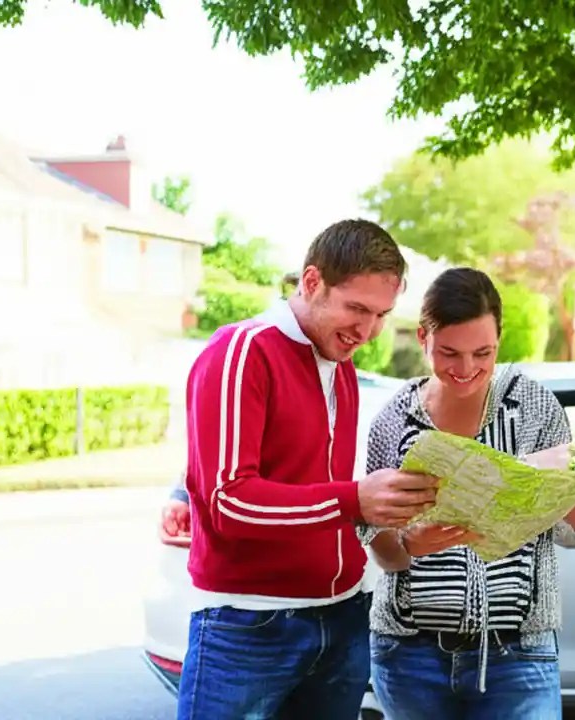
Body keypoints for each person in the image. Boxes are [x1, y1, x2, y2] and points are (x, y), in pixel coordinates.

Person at [173, 218, 441, 720]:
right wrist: (355, 499)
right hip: (251, 627)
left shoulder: (339, 364)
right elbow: (228, 500)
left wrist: (391, 518)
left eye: (381, 314)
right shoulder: (242, 352)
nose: (368, 331)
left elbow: (298, 477)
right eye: (357, 308)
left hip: (342, 619)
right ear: (311, 282)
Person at [359, 267, 575, 720]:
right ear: (424, 337)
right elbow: (378, 545)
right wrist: (409, 545)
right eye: (449, 352)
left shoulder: (536, 408)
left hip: (518, 659)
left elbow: (574, 533)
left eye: (482, 353)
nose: (466, 369)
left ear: (499, 339)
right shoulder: (394, 421)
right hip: (410, 659)